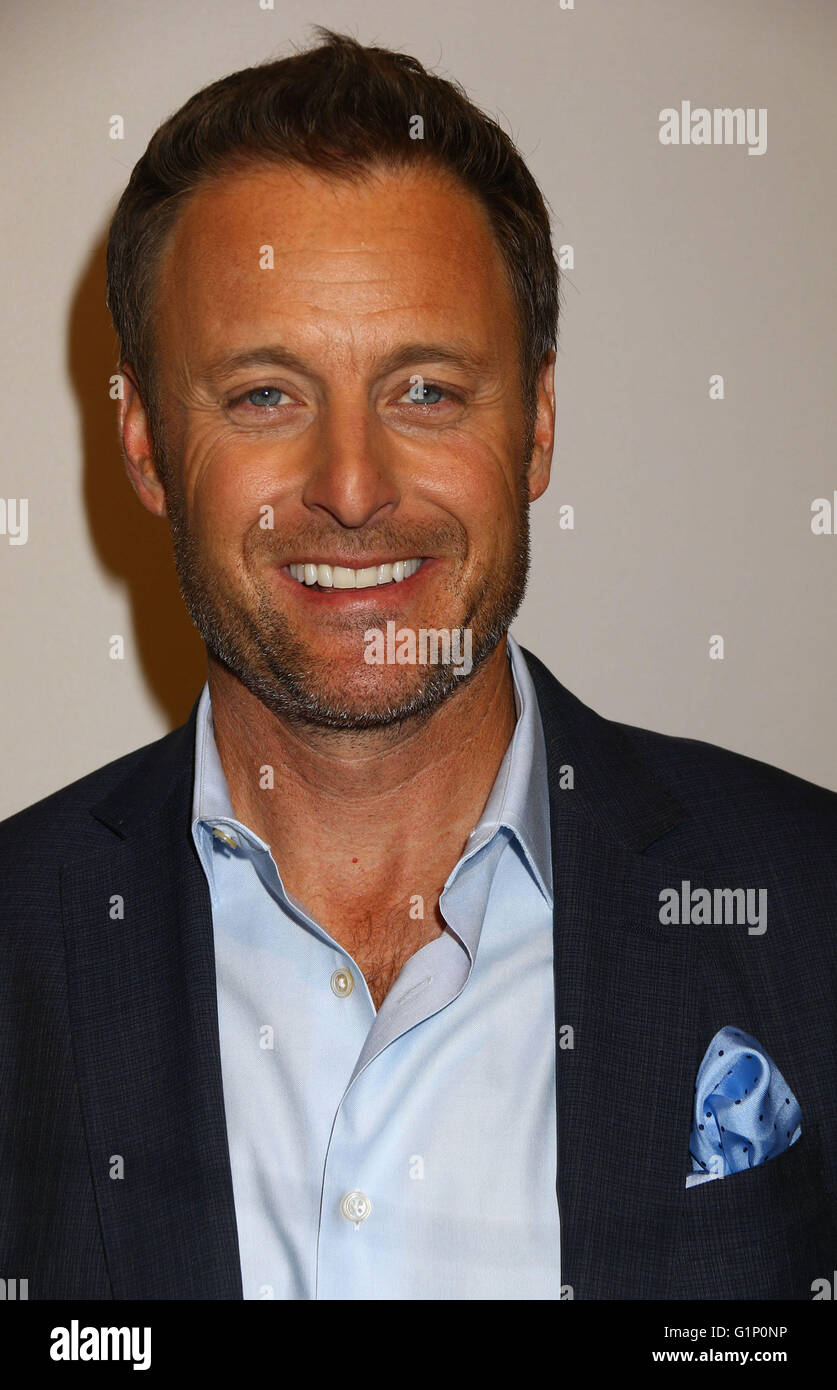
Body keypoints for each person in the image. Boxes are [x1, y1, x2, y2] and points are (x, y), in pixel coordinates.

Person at [1, 28, 834, 1302]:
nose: (351, 489)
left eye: (428, 391)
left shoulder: (807, 898)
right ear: (147, 444)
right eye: (266, 395)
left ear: (539, 422)